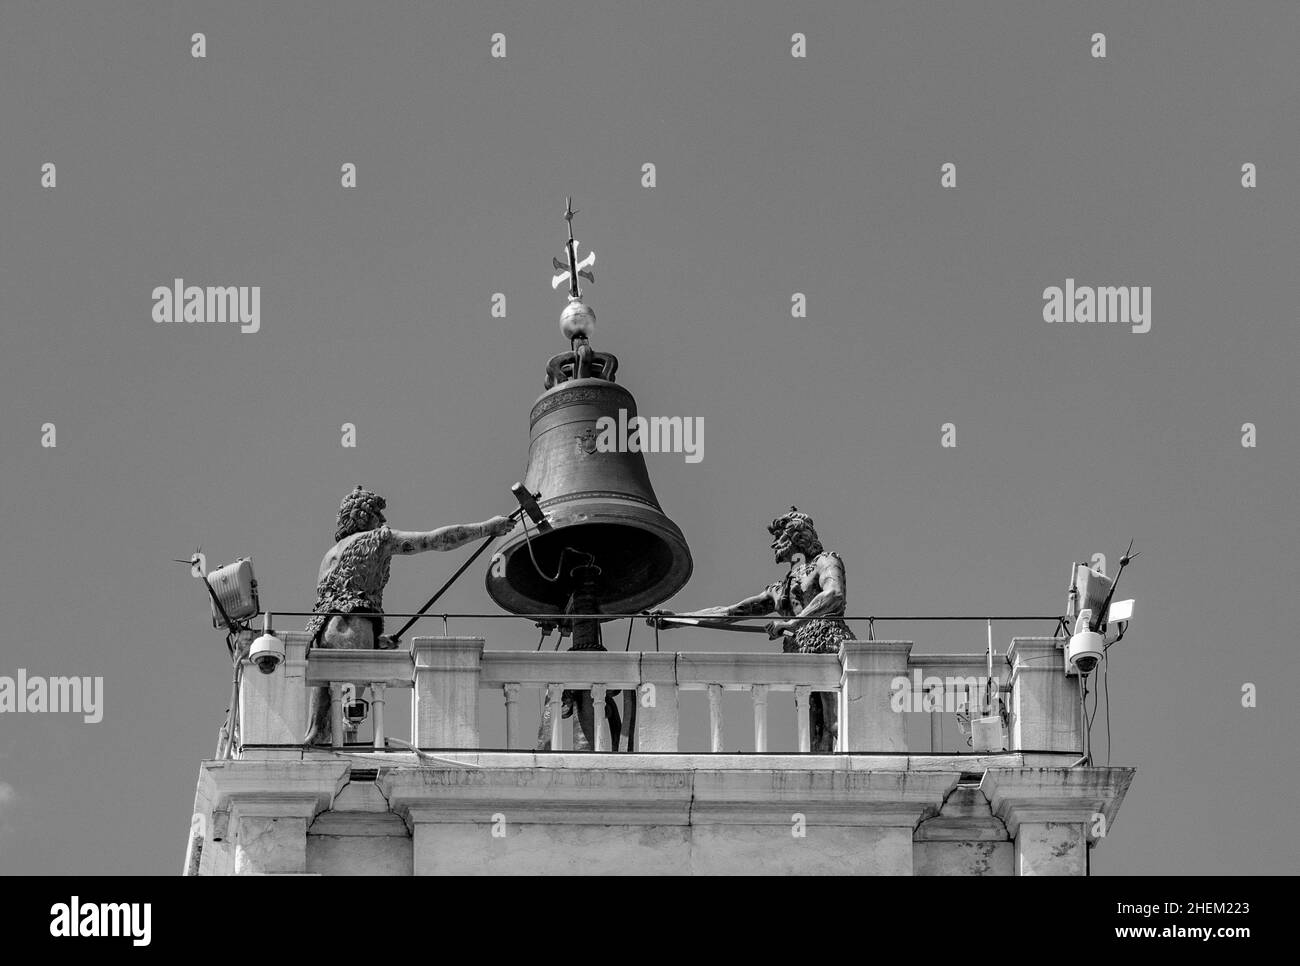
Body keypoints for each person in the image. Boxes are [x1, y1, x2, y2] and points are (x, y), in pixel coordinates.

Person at [303, 484, 513, 745]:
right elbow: (434, 540)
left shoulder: (329, 556)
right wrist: (486, 528)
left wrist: (375, 640)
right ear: (362, 517)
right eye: (377, 514)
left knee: (319, 731)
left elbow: (335, 607)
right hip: (354, 629)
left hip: (323, 636)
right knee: (345, 724)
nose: (383, 521)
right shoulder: (376, 539)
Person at [650, 506, 854, 752]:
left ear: (797, 536)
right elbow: (730, 613)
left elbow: (834, 594)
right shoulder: (779, 589)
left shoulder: (826, 561)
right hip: (802, 655)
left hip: (826, 644)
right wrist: (679, 619)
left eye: (779, 537)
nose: (774, 545)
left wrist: (792, 623)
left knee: (834, 723)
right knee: (817, 733)